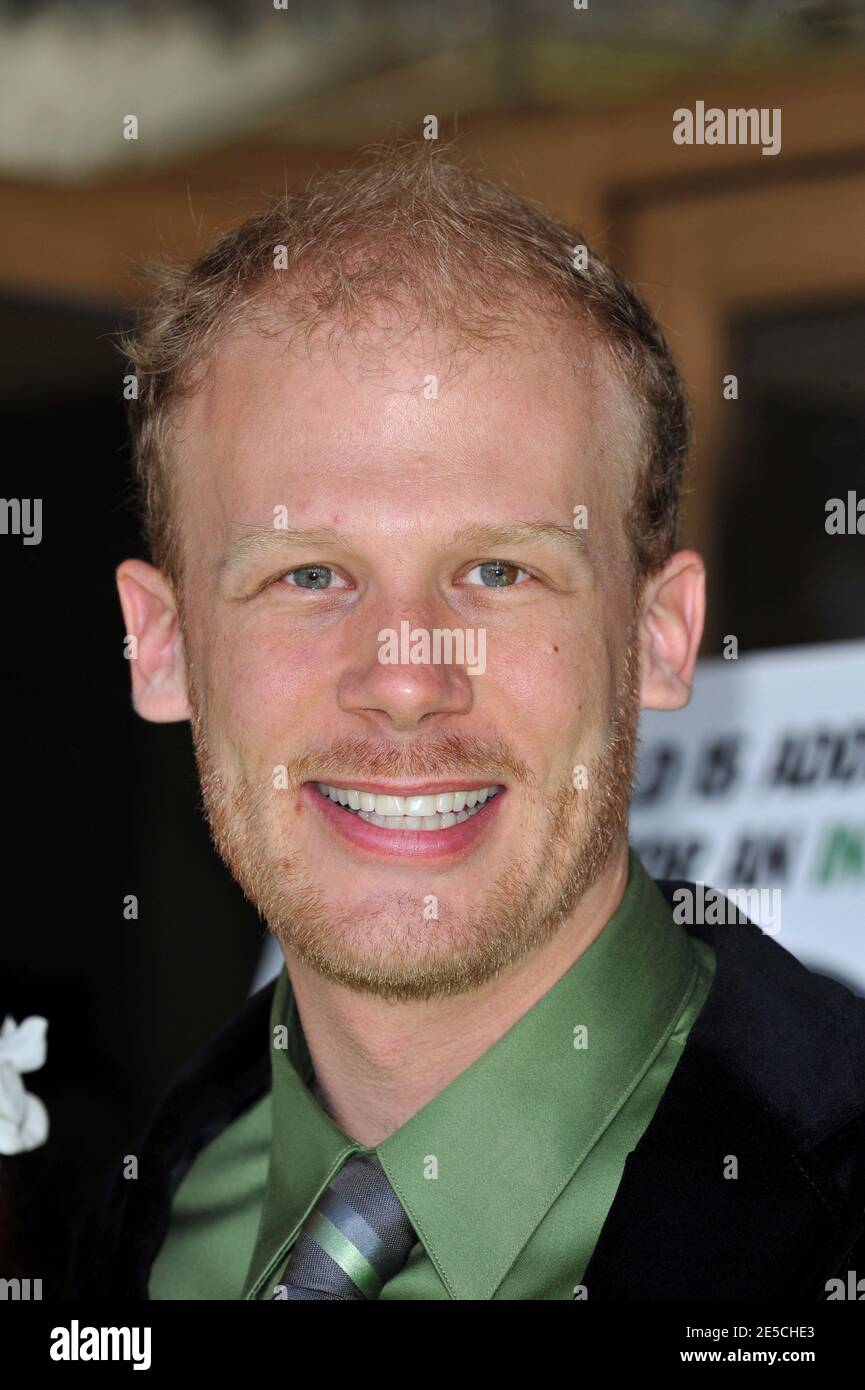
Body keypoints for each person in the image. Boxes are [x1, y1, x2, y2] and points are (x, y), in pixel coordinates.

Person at [77, 149, 865, 1300]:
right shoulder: (127, 1221)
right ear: (162, 645)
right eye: (307, 575)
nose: (404, 677)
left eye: (496, 569)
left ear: (659, 635)